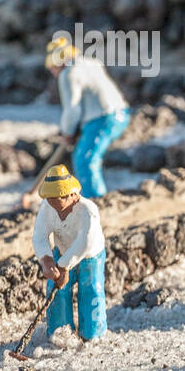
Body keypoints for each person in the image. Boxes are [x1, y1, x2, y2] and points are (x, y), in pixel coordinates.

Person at [23, 34, 129, 205]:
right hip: (121, 113)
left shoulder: (68, 73)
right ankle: (91, 198)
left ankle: (97, 202)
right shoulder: (91, 63)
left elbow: (72, 110)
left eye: (53, 69)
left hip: (103, 118)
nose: (54, 74)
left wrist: (67, 132)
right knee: (83, 156)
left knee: (85, 159)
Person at [31, 164, 108, 345]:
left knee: (91, 290)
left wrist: (64, 266)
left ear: (73, 195)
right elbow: (39, 235)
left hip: (90, 256)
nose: (54, 203)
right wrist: (46, 259)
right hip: (62, 250)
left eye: (60, 197)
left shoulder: (88, 211)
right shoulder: (47, 207)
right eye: (50, 198)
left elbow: (86, 241)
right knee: (57, 289)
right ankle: (59, 332)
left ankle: (93, 333)